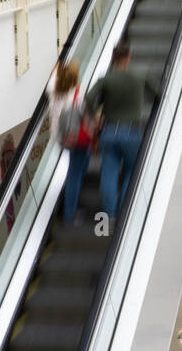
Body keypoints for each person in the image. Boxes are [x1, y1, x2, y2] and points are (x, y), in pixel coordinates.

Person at [85, 41, 159, 219]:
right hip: (132, 132)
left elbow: (88, 98)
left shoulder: (106, 78)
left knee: (109, 173)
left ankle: (109, 215)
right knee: (131, 171)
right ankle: (125, 213)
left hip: (109, 132)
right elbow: (159, 93)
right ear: (129, 56)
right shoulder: (141, 74)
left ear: (114, 58)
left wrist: (94, 117)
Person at [50, 61, 94, 226]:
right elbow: (85, 114)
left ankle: (71, 205)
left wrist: (56, 69)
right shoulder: (76, 97)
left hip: (63, 138)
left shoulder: (55, 95)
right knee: (75, 172)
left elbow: (51, 84)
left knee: (79, 164)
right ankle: (70, 214)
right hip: (78, 139)